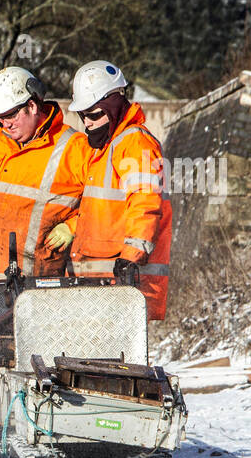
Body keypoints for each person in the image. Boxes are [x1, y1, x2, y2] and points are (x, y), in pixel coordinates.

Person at [0, 66, 89, 432]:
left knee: (26, 358)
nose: (3, 123)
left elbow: (100, 203)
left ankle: (33, 430)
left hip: (34, 285)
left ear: (33, 106)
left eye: (9, 115)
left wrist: (74, 226)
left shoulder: (73, 148)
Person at [64, 60, 171, 320]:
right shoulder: (105, 148)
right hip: (100, 284)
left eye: (93, 114)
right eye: (83, 115)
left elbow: (145, 205)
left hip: (121, 283)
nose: (87, 123)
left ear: (113, 105)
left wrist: (130, 259)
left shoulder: (135, 143)